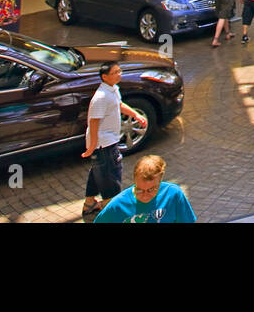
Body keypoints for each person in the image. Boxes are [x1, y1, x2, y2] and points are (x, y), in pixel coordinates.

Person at [81, 61, 148, 219]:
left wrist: (135, 114)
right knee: (109, 177)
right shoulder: (101, 97)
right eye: (115, 72)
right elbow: (94, 122)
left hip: (107, 142)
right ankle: (111, 212)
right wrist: (91, 147)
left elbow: (118, 104)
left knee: (97, 172)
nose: (119, 74)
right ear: (105, 77)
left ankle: (90, 203)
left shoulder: (112, 90)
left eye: (120, 71)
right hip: (104, 144)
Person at [94, 155, 196, 224]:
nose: (145, 195)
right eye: (139, 190)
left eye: (152, 189)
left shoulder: (174, 194)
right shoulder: (117, 205)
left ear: (160, 182)